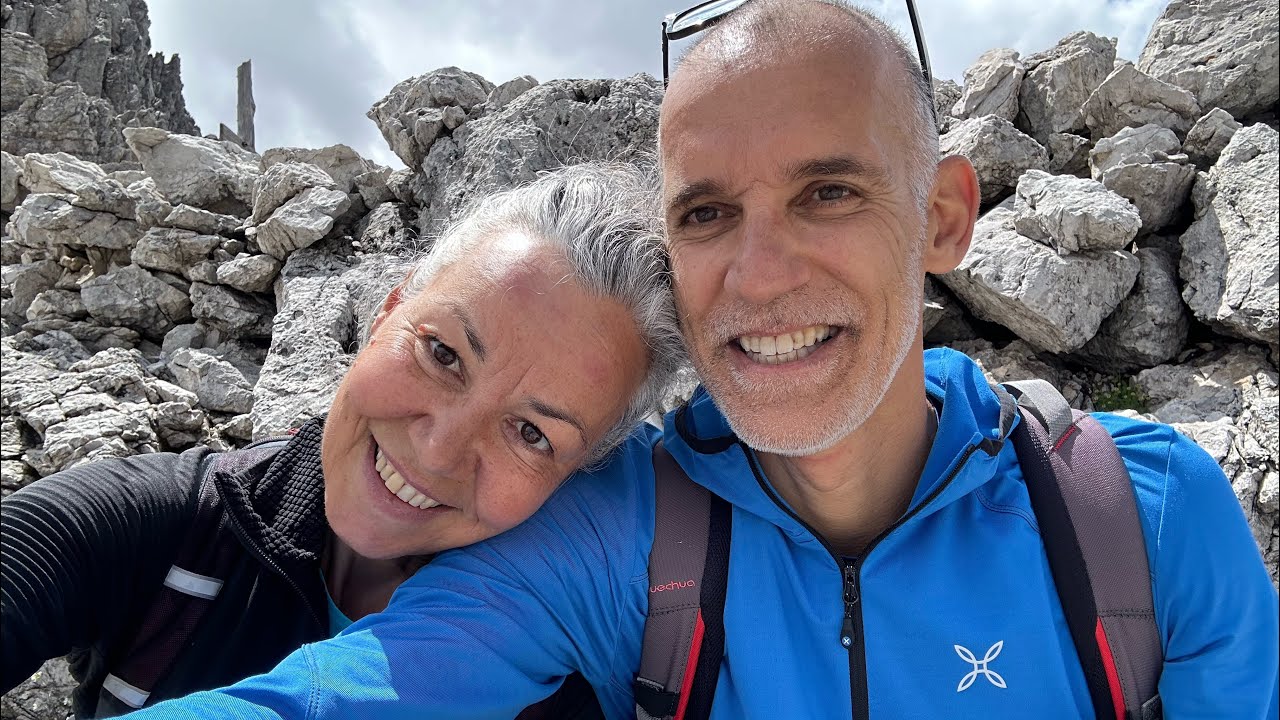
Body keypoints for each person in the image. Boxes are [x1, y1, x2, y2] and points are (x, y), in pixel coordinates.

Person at [124, 1, 1280, 718]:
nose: (757, 277)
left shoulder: (1139, 519)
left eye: (827, 193)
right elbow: (343, 697)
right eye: (707, 213)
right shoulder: (610, 539)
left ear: (941, 218)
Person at [0, 162, 685, 718]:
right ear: (387, 311)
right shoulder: (157, 526)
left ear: (583, 471)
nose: (438, 450)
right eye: (443, 354)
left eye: (532, 433)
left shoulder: (584, 672)